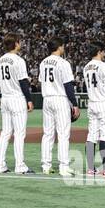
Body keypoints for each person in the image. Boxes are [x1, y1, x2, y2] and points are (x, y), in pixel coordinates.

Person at [38, 39, 79, 177]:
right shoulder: (63, 63)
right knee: (63, 134)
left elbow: (40, 82)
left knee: (47, 134)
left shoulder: (43, 62)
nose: (64, 48)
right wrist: (74, 104)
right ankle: (64, 167)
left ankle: (46, 165)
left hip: (47, 99)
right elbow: (68, 86)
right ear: (59, 47)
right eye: (63, 45)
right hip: (60, 99)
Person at [0, 34, 33, 174]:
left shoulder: (0, 60)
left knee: (5, 132)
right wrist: (29, 99)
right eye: (19, 42)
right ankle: (20, 165)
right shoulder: (18, 60)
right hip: (16, 98)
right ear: (16, 44)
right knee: (19, 133)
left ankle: (0, 165)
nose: (20, 44)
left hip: (5, 98)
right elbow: (23, 82)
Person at [82, 45, 105, 176]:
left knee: (91, 135)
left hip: (92, 103)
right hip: (104, 103)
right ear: (99, 51)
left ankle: (91, 168)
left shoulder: (86, 67)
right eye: (103, 50)